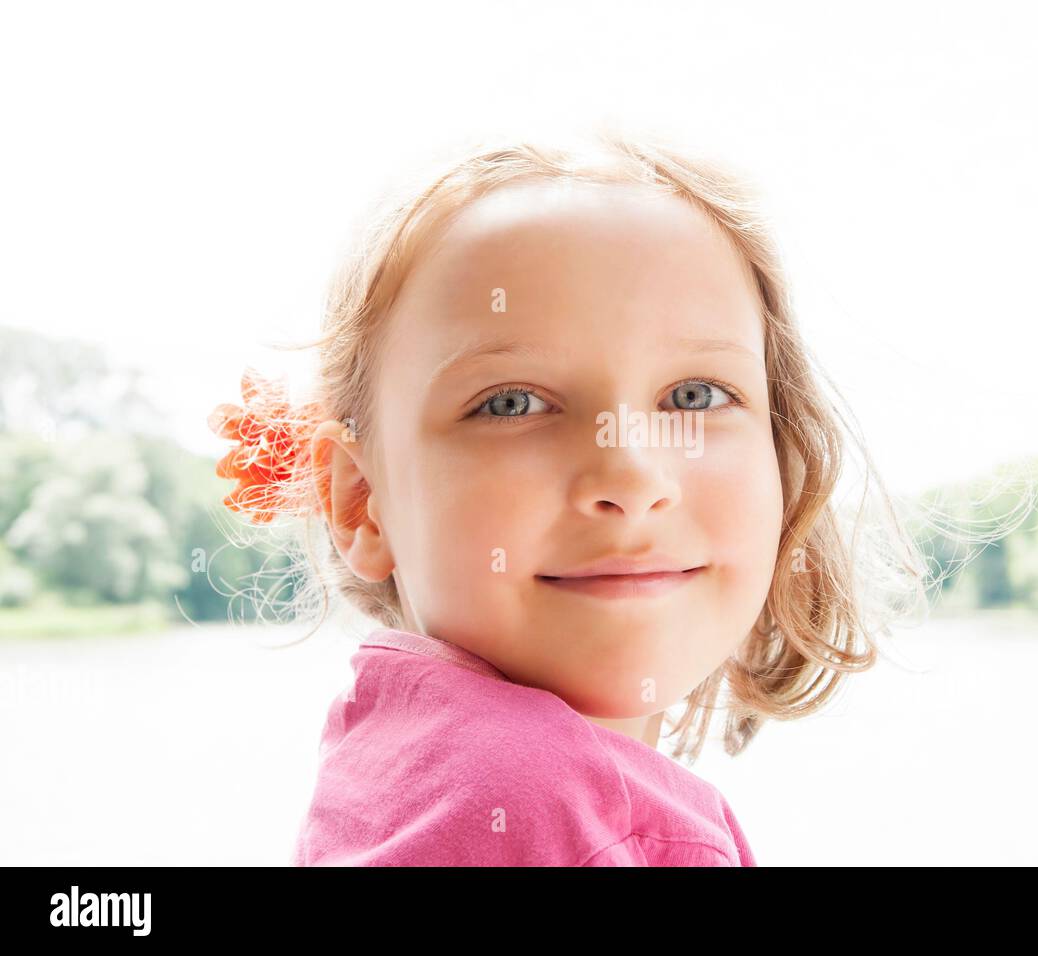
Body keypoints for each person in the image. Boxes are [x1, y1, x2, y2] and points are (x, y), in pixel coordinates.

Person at [207, 126, 928, 866]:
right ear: (362, 500)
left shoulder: (399, 767)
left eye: (695, 394)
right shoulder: (546, 811)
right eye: (513, 403)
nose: (632, 478)